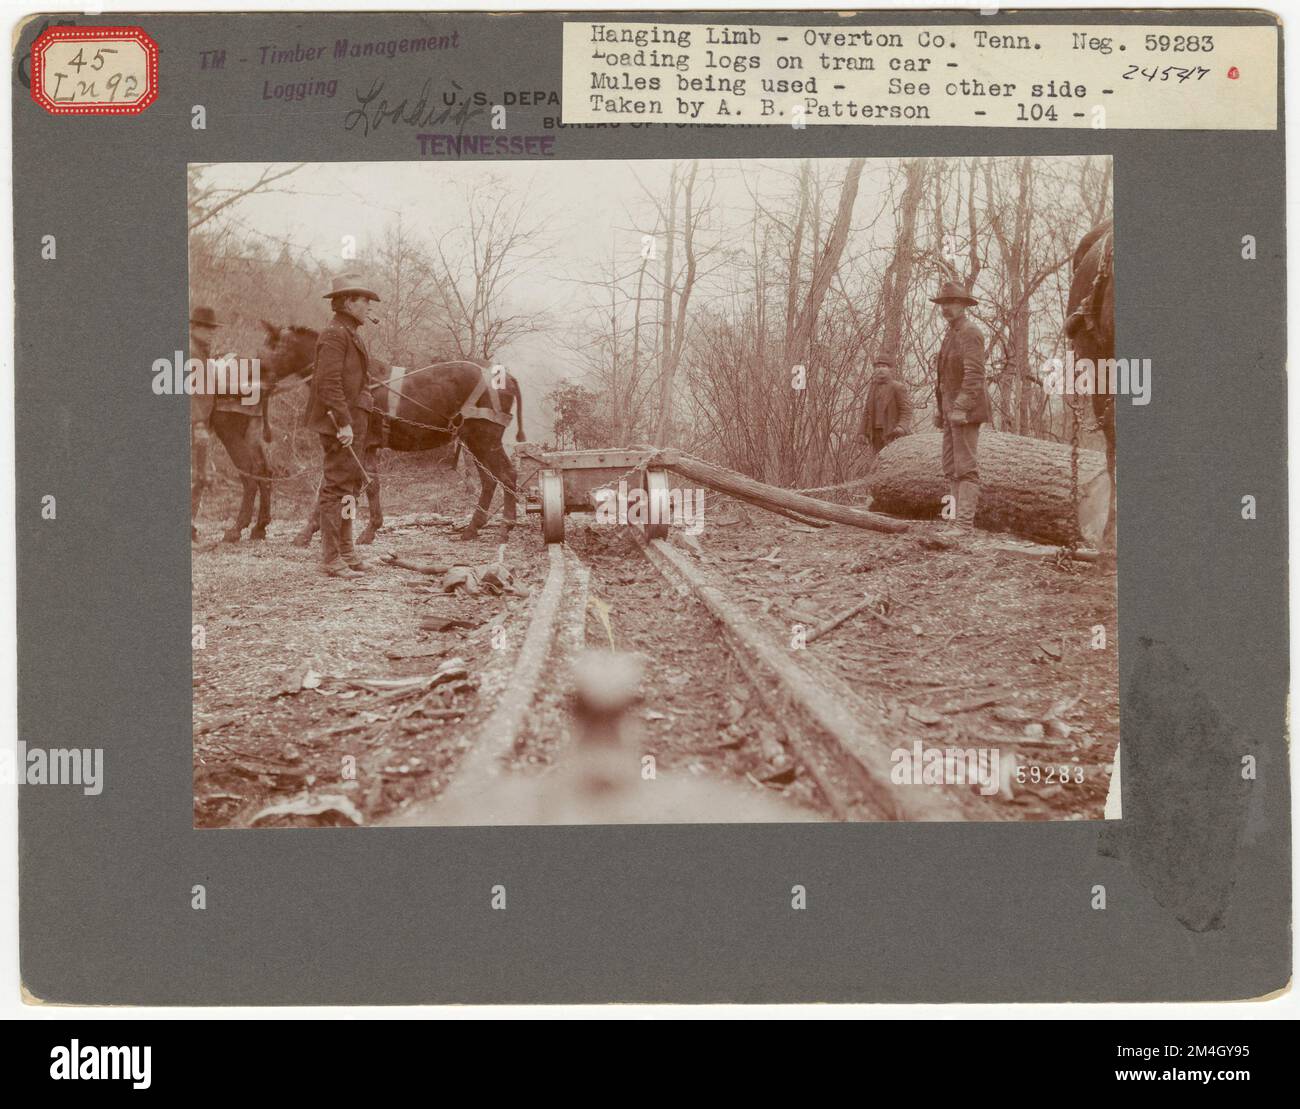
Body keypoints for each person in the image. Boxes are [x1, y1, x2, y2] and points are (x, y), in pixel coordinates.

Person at [304, 275, 381, 578]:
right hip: (340, 424)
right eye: (364, 301)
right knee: (335, 487)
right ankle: (331, 557)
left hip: (354, 422)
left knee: (349, 489)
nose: (368, 307)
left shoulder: (350, 333)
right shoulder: (334, 335)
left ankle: (347, 551)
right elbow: (328, 384)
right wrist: (344, 424)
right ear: (348, 301)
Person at [930, 280, 991, 531]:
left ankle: (964, 524)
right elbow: (944, 377)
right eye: (943, 303)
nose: (946, 308)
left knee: (966, 468)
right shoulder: (950, 333)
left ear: (964, 305)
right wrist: (941, 409)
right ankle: (955, 521)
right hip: (950, 411)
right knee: (950, 466)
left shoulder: (970, 332)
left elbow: (974, 374)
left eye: (952, 302)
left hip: (965, 413)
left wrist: (961, 407)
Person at [189, 307, 221, 541]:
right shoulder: (190, 352)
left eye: (212, 329)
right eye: (206, 328)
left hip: (200, 423)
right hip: (192, 425)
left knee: (199, 476)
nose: (210, 333)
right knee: (193, 476)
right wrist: (198, 423)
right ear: (194, 328)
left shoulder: (202, 352)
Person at [861, 353, 913, 453]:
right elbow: (867, 411)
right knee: (878, 462)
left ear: (890, 369)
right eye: (878, 367)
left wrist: (901, 427)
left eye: (884, 366)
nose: (880, 369)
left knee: (893, 461)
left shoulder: (897, 387)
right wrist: (862, 432)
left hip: (892, 433)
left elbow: (906, 410)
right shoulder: (873, 388)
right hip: (875, 434)